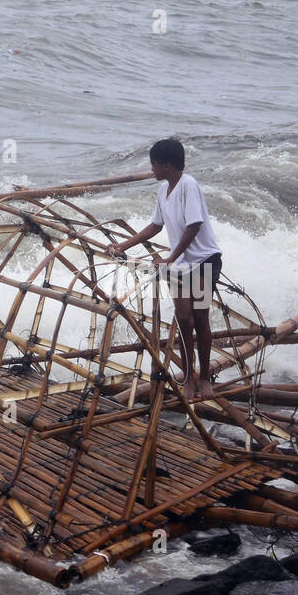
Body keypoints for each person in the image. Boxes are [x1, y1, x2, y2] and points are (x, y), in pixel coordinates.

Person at [106, 138, 223, 400]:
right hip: (181, 264)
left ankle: (205, 378)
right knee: (183, 319)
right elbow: (155, 226)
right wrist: (122, 244)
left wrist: (170, 258)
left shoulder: (188, 185)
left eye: (154, 165)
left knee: (200, 318)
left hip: (204, 261)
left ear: (168, 165)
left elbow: (194, 225)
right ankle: (189, 377)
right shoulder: (163, 191)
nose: (152, 170)